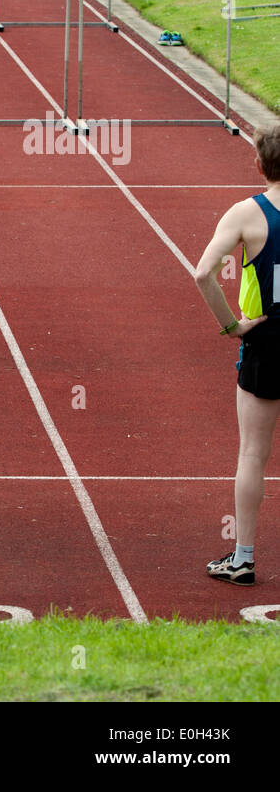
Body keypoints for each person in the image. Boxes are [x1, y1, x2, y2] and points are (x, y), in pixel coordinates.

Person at [192, 124, 280, 586]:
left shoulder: (248, 214)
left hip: (266, 341)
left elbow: (204, 272)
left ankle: (244, 559)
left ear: (259, 165)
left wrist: (231, 326)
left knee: (253, 453)